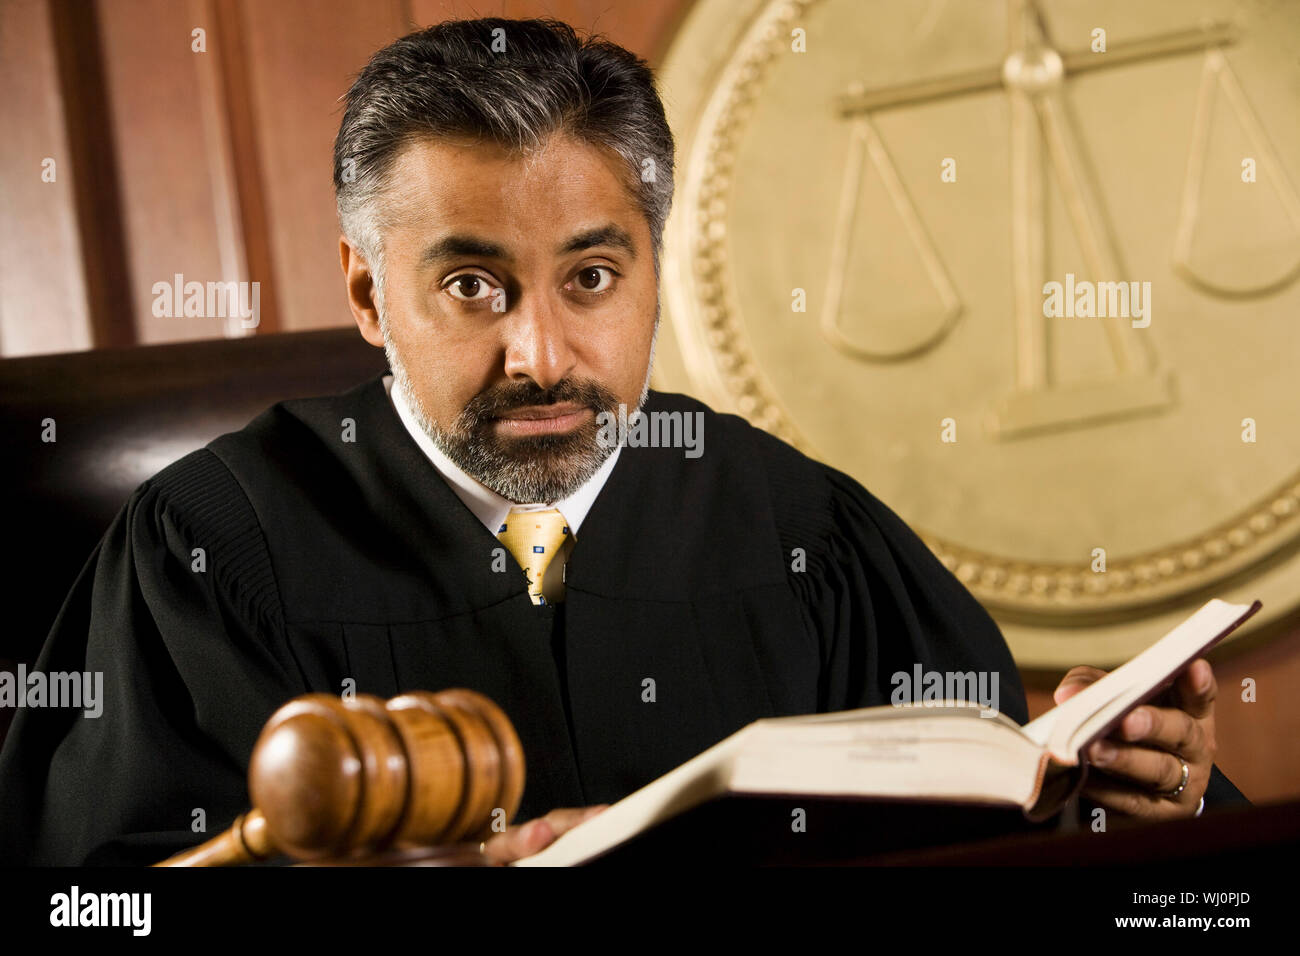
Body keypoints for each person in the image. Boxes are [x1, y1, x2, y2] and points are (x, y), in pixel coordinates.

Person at [0, 18, 1244, 866]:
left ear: (654, 272)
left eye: (590, 275)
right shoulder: (212, 551)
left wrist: (1136, 806)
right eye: (474, 287)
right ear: (370, 295)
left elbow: (1010, 829)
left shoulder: (800, 527)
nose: (541, 352)